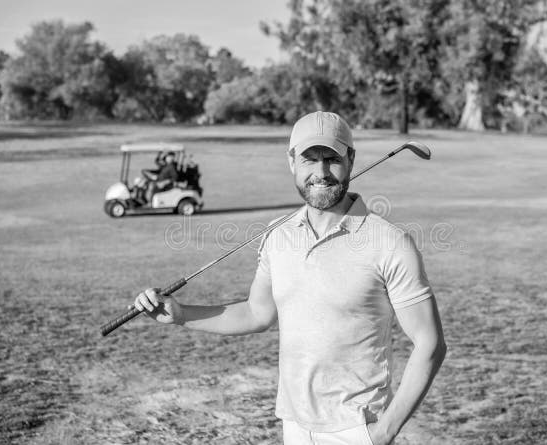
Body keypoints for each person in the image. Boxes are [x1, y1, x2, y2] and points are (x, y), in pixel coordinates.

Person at [134, 111, 446, 445]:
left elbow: (430, 343)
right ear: (291, 161)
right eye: (310, 159)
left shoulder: (390, 243)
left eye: (332, 159)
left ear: (351, 159)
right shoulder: (277, 235)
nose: (321, 172)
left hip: (356, 429)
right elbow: (258, 313)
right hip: (294, 426)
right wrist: (181, 315)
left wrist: (382, 433)